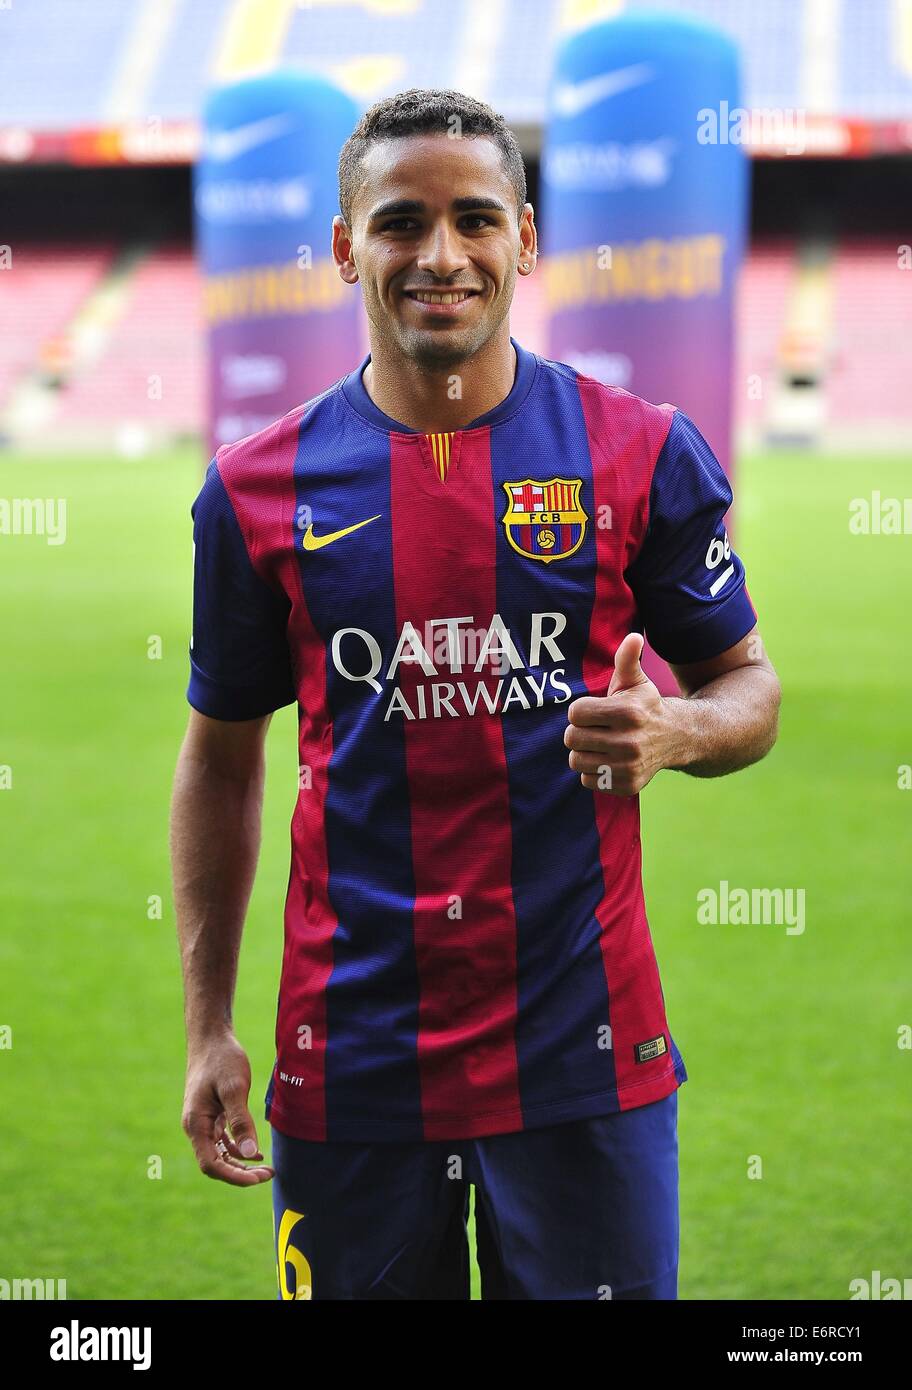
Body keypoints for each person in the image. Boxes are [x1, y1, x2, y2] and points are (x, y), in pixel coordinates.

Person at [170, 88, 781, 1301]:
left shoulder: (639, 449)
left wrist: (677, 729)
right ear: (348, 248)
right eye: (400, 223)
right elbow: (222, 760)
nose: (440, 256)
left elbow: (746, 684)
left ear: (526, 238)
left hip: (584, 1056)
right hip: (349, 1058)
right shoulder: (252, 490)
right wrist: (206, 1025)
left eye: (475, 220)